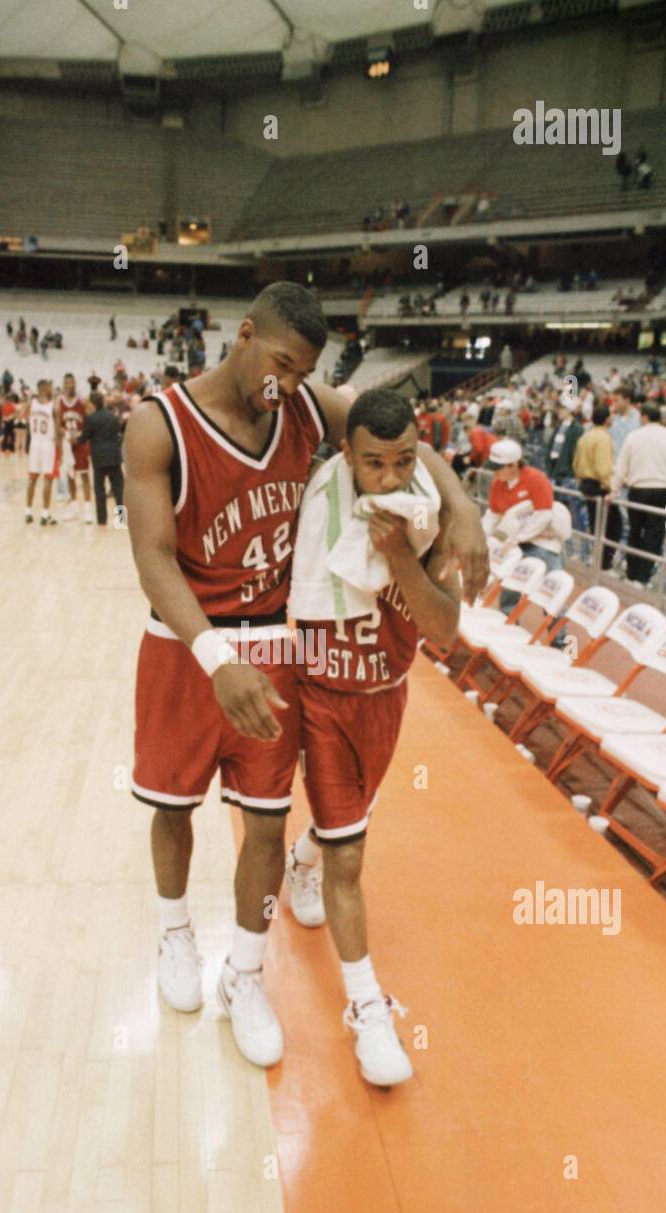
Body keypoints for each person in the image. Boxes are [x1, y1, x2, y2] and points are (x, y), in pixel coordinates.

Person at [124, 282, 487, 1070]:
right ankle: (174, 932)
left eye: (302, 375)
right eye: (282, 366)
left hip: (278, 647)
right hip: (188, 649)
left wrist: (461, 502)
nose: (287, 387)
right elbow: (152, 558)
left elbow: (392, 434)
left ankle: (242, 975)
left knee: (264, 825)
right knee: (173, 807)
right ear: (245, 333)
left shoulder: (301, 403)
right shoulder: (159, 424)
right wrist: (215, 658)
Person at [283, 390, 460, 1085]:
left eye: (403, 463)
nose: (389, 479)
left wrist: (404, 559)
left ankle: (302, 862)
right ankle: (366, 1008)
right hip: (323, 697)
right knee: (349, 857)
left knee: (339, 835)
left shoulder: (427, 519)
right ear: (345, 458)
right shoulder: (316, 501)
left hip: (386, 699)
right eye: (373, 464)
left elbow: (443, 628)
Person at [610, 402, 666, 586]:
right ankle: (642, 579)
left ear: (644, 416)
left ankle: (631, 575)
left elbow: (621, 466)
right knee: (654, 535)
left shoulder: (633, 436)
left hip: (637, 489)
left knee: (635, 532)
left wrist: (615, 489)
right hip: (661, 489)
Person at [481, 439, 562, 612]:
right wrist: (481, 537)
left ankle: (561, 638)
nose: (494, 473)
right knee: (509, 588)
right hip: (515, 542)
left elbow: (544, 515)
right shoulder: (498, 484)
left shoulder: (536, 479)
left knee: (551, 593)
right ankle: (507, 625)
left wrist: (518, 538)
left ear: (514, 465)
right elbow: (493, 515)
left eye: (498, 468)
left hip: (542, 542)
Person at [572, 402, 621, 569]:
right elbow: (603, 467)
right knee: (614, 527)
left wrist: (580, 481)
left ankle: (599, 560)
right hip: (599, 485)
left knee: (596, 524)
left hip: (585, 484)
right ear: (607, 419)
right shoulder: (603, 438)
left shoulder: (585, 436)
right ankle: (604, 564)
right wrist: (610, 488)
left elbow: (576, 463)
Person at [76, 391, 124, 526]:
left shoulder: (91, 419)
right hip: (114, 456)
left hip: (98, 458)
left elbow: (84, 438)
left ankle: (102, 520)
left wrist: (74, 439)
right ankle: (121, 520)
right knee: (119, 489)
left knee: (99, 490)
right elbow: (119, 436)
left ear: (92, 403)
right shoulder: (113, 417)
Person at [23, 379, 61, 526]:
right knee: (48, 480)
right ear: (44, 388)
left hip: (35, 443)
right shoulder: (54, 406)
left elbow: (21, 414)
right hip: (48, 444)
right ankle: (45, 514)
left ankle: (27, 511)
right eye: (50, 387)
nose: (51, 389)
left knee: (32, 479)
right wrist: (61, 453)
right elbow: (57, 432)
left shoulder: (30, 403)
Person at [56, 373, 93, 523]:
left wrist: (81, 436)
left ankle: (89, 510)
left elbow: (91, 420)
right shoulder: (59, 403)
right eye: (67, 383)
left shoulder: (82, 401)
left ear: (75, 383)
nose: (70, 385)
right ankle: (74, 508)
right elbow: (58, 426)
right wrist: (64, 438)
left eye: (72, 382)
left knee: (84, 476)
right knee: (71, 476)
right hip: (67, 443)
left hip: (81, 441)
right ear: (64, 385)